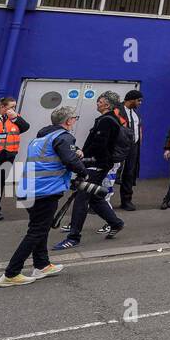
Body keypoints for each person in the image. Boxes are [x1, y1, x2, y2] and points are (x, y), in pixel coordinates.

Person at [0, 106, 87, 287]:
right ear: (68, 120)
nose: (74, 121)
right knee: (37, 231)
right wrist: (83, 172)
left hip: (29, 189)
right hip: (45, 191)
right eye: (74, 118)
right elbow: (69, 160)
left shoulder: (40, 138)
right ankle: (11, 273)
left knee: (40, 228)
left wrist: (74, 151)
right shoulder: (64, 137)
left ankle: (42, 265)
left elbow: (56, 155)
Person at [53, 91, 125, 249]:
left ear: (107, 104)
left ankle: (73, 237)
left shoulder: (107, 121)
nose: (97, 103)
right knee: (94, 198)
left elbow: (100, 144)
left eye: (100, 101)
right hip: (98, 164)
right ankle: (116, 223)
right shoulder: (109, 119)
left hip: (96, 165)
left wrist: (84, 155)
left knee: (81, 198)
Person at [118, 89, 144, 210]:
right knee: (111, 173)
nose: (140, 103)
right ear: (132, 99)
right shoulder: (117, 111)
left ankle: (126, 200)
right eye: (139, 100)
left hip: (133, 147)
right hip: (119, 147)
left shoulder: (135, 113)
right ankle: (98, 201)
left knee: (129, 173)